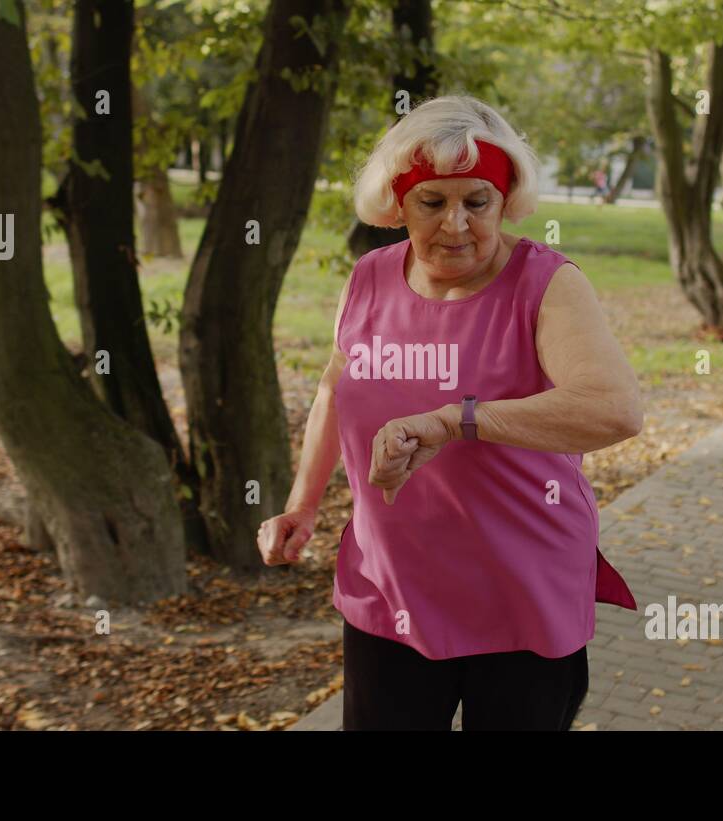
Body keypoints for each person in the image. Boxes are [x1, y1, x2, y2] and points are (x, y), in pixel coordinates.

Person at [256, 95, 644, 731]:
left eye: (477, 202)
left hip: (520, 591)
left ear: (505, 200)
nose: (456, 225)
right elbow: (334, 388)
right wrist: (302, 504)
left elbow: (615, 409)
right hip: (392, 585)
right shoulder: (369, 278)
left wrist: (456, 419)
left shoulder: (544, 283)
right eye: (433, 203)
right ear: (398, 204)